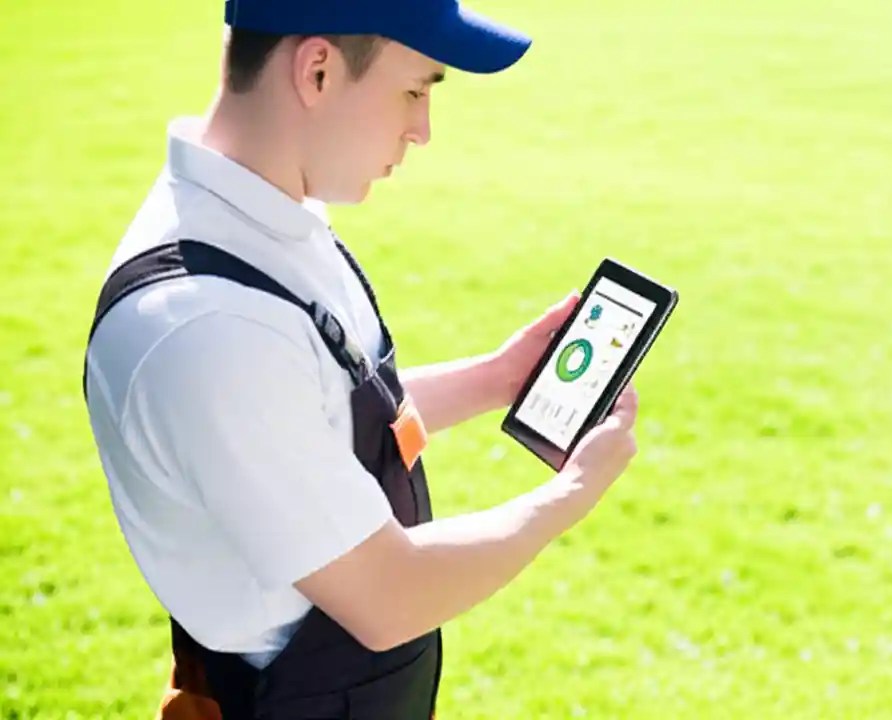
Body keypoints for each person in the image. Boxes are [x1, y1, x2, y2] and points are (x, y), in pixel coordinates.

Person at [81, 1, 641, 717]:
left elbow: (319, 416)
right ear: (317, 70)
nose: (423, 130)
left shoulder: (260, 219)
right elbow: (388, 596)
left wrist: (498, 378)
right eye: (416, 89)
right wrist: (570, 497)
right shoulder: (209, 328)